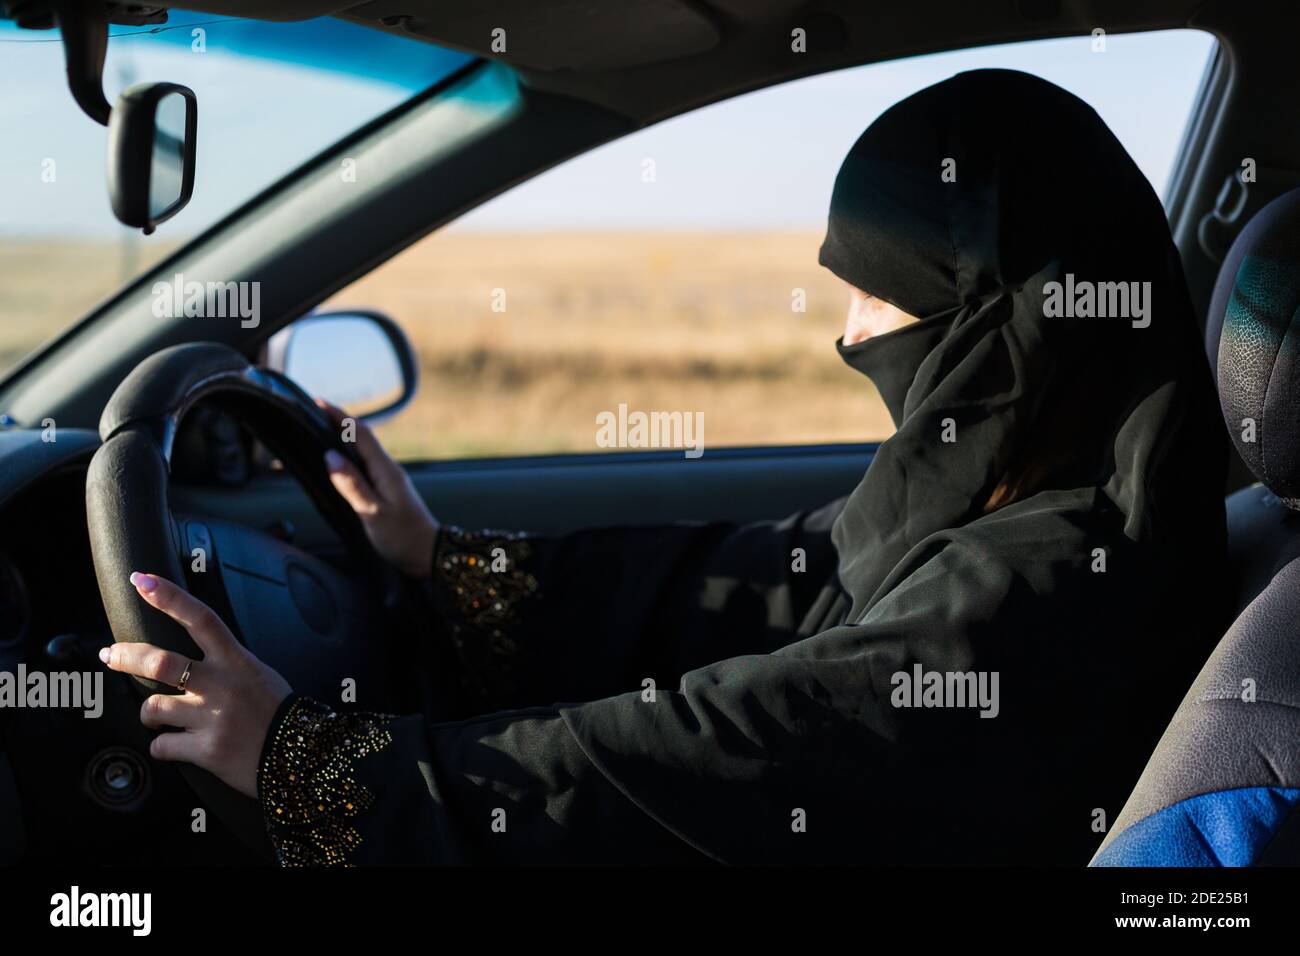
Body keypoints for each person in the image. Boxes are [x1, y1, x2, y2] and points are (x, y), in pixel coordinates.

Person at [100, 69, 1228, 865]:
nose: (846, 331)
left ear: (995, 317)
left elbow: (736, 747)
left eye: (879, 288)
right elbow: (774, 573)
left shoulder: (1049, 586)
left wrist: (320, 766)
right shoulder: (1004, 501)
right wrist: (447, 558)